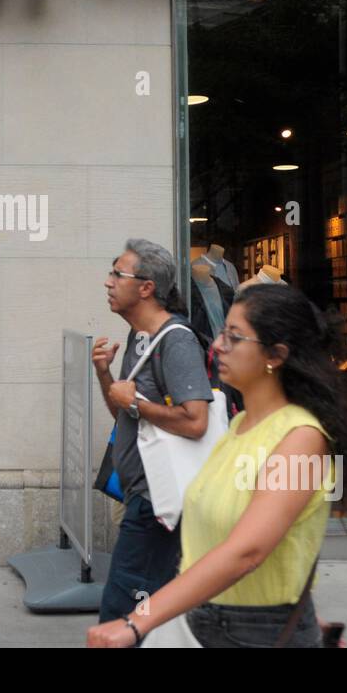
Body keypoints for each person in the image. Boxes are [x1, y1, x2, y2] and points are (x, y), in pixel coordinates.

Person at [87, 283, 347, 648]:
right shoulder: (240, 425)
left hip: (253, 633)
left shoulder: (301, 438)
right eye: (223, 333)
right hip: (211, 622)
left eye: (235, 337)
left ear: (276, 355)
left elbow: (246, 551)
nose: (218, 345)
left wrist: (136, 621)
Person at [92, 238, 213, 623]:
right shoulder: (138, 337)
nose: (108, 282)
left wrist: (136, 402)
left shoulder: (176, 340)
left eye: (117, 273)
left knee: (119, 617)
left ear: (146, 288)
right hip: (142, 496)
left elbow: (196, 421)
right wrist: (104, 373)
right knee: (150, 618)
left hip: (157, 502)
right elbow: (124, 415)